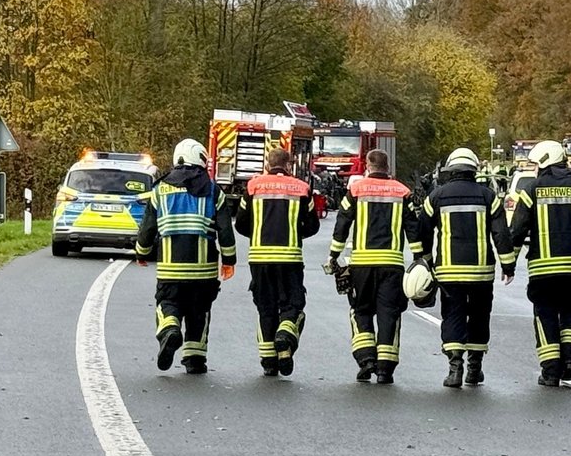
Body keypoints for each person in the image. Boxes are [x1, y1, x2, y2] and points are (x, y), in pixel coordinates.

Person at [502, 139, 571, 386]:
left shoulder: (532, 191)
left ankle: (551, 371)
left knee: (545, 314)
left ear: (544, 162)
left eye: (536, 165)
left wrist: (509, 265)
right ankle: (570, 360)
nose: (535, 169)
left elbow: (517, 230)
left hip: (543, 269)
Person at [409, 146, 513, 388]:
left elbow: (423, 231)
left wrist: (424, 260)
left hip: (449, 271)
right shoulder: (488, 196)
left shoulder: (436, 197)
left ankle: (455, 368)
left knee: (453, 315)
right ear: (473, 170)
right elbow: (501, 234)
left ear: (451, 170)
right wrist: (508, 265)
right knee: (479, 315)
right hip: (481, 272)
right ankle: (474, 369)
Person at [134, 138, 236, 375]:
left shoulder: (159, 190)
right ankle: (194, 359)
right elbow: (225, 231)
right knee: (199, 311)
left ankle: (170, 328)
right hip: (204, 270)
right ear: (201, 159)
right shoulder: (213, 190)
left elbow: (147, 228)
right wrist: (229, 261)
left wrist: (142, 252)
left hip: (170, 268)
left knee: (168, 303)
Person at [233, 144, 320, 377]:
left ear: (267, 164)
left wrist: (258, 234)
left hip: (259, 259)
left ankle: (269, 362)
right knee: (292, 305)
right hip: (290, 258)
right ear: (288, 164)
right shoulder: (301, 188)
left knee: (266, 308)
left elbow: (240, 223)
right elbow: (313, 225)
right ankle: (285, 336)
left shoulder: (253, 187)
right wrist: (295, 233)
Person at [325, 149, 410, 383]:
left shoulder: (355, 190)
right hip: (391, 265)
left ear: (368, 167)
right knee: (389, 313)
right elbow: (413, 227)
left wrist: (333, 255)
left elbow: (342, 224)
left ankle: (366, 359)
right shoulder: (402, 191)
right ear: (387, 167)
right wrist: (422, 259)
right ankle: (385, 370)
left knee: (360, 310)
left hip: (361, 265)